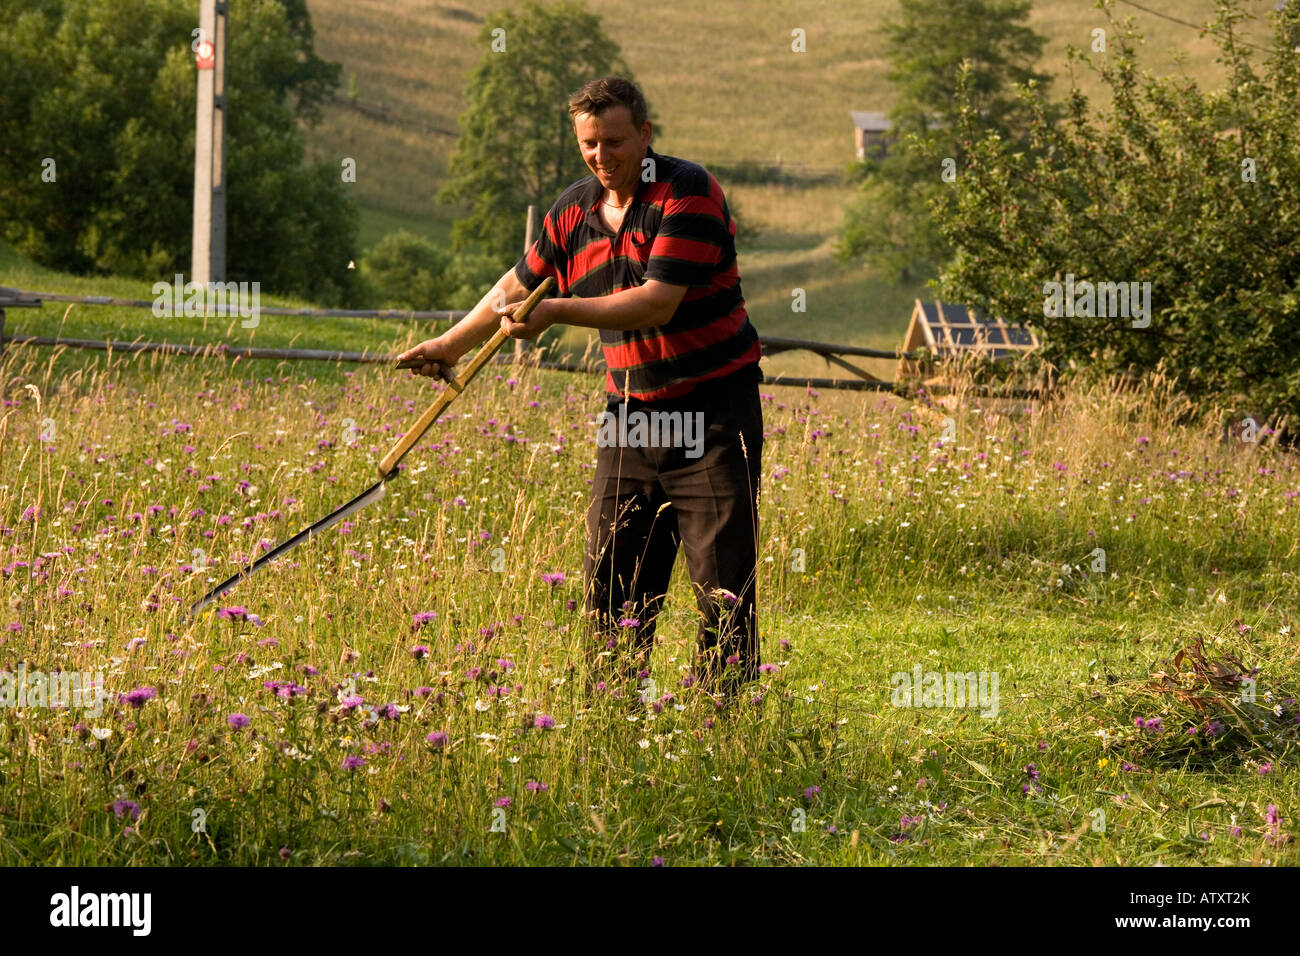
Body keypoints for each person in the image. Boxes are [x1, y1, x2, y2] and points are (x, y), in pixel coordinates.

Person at [398, 75, 763, 701]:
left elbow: (656, 303)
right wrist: (449, 346)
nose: (603, 156)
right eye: (589, 144)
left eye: (616, 141)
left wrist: (557, 312)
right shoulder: (573, 209)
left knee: (721, 581)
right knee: (612, 574)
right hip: (630, 415)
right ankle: (615, 711)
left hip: (713, 412)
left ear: (645, 135)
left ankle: (722, 727)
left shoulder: (688, 192)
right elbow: (515, 287)